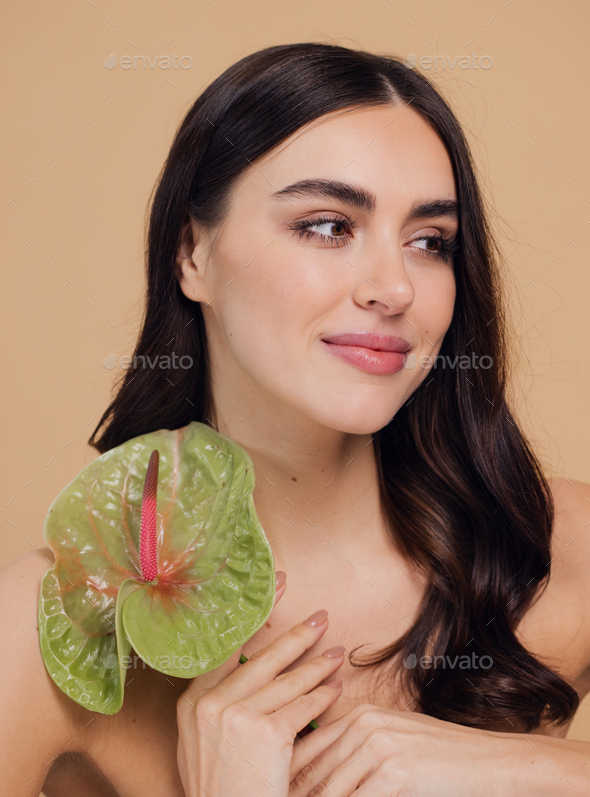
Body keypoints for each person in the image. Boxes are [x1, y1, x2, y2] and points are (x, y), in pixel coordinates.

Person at [2, 42, 590, 796]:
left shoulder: (553, 546)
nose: (394, 287)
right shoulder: (53, 625)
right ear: (192, 253)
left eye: (429, 241)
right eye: (326, 225)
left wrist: (518, 765)